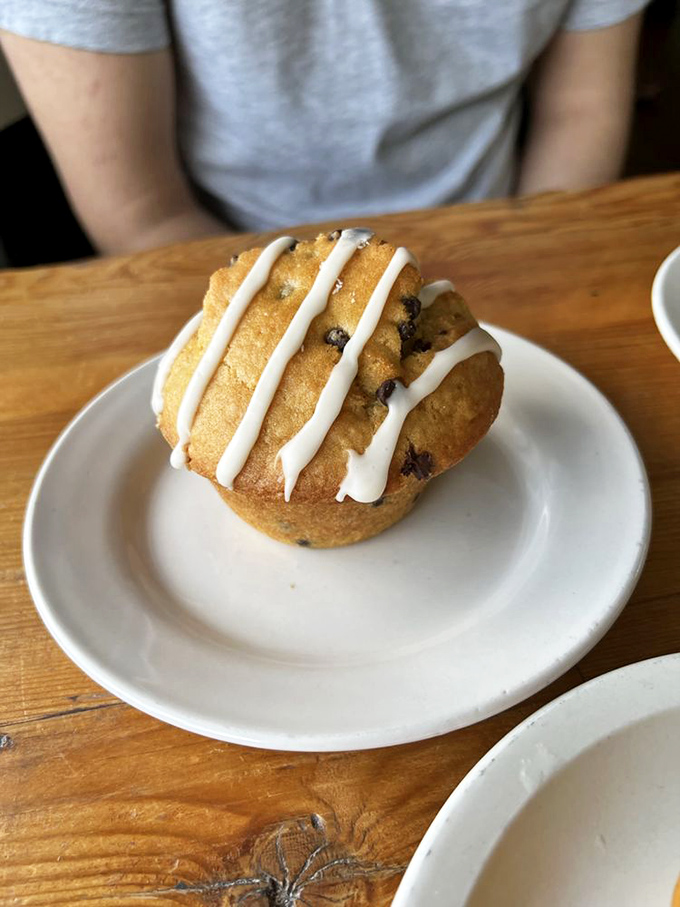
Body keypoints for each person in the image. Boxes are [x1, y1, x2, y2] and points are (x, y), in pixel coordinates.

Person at [0, 0, 647, 256]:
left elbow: (582, 110)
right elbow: (141, 211)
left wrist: (518, 260)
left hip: (499, 239)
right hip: (220, 254)